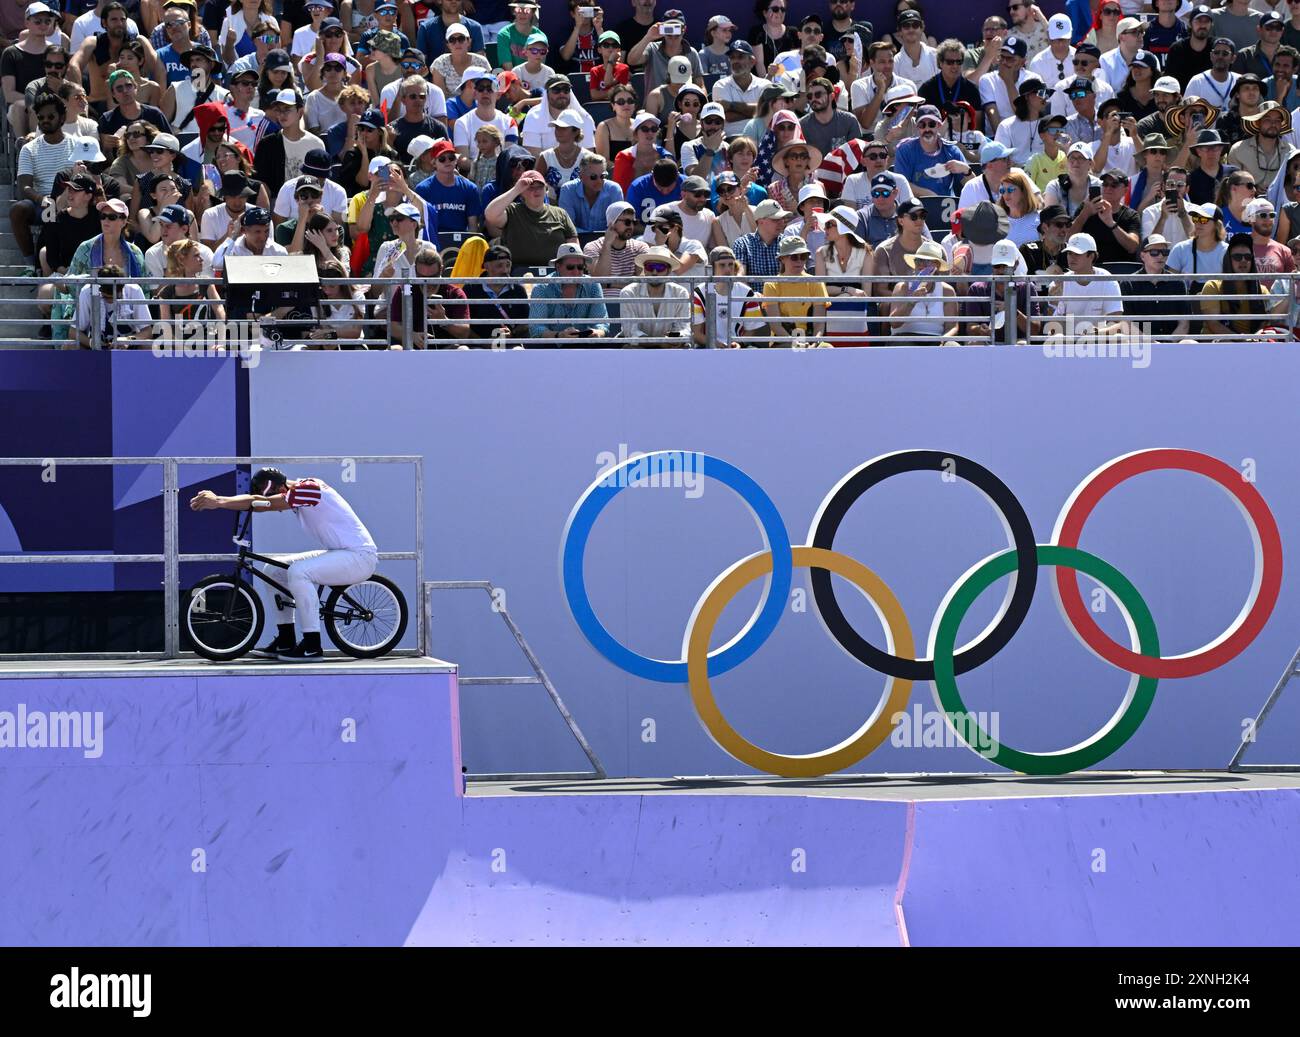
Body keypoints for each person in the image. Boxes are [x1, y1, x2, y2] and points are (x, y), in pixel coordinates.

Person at [189, 468, 379, 662]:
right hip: (339, 553)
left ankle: (312, 645)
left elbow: (263, 504)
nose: (278, 503)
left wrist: (219, 501)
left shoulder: (308, 489)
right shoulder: (296, 492)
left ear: (281, 487)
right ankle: (286, 640)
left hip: (359, 556)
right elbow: (258, 501)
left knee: (299, 572)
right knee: (273, 570)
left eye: (274, 494)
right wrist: (223, 501)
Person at [484, 167, 579, 269]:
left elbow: (574, 246)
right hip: (518, 274)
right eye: (530, 187)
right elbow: (490, 214)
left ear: (546, 189)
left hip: (554, 273)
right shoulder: (512, 211)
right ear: (522, 193)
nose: (536, 190)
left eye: (540, 186)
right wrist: (516, 189)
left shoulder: (560, 213)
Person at [1199, 232, 1285, 336]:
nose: (1243, 260)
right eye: (1237, 257)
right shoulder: (1212, 286)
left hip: (1251, 346)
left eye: (1248, 257)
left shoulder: (1262, 291)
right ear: (1228, 260)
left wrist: (1253, 339)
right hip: (1216, 345)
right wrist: (1241, 340)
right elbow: (1214, 325)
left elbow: (1264, 323)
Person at [527, 241, 609, 342]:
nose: (576, 272)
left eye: (580, 267)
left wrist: (598, 333)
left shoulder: (593, 285)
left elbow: (601, 323)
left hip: (586, 346)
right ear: (557, 267)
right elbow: (535, 328)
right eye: (570, 267)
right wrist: (559, 336)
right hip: (552, 349)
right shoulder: (541, 288)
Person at [1047, 231, 1125, 336]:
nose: (1071, 257)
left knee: (1119, 337)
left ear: (1091, 256)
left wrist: (1095, 333)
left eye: (1077, 254)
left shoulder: (1107, 279)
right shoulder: (1060, 282)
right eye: (1069, 253)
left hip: (1099, 339)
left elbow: (1116, 322)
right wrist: (1054, 303)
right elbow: (1053, 326)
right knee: (1056, 337)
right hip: (1067, 341)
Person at [815, 205, 872, 345]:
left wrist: (844, 294)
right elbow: (819, 291)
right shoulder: (820, 253)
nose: (825, 228)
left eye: (830, 224)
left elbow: (867, 294)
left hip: (857, 318)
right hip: (830, 319)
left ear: (842, 228)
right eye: (826, 224)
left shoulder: (866, 253)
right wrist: (848, 290)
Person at [886, 237, 956, 344]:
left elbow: (952, 327)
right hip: (904, 338)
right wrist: (911, 302)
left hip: (936, 340)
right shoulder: (902, 287)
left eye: (927, 261)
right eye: (918, 260)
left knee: (952, 346)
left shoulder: (947, 291)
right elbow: (894, 323)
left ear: (937, 265)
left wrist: (943, 340)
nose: (921, 265)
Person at [1122, 233, 1190, 340]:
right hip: (1139, 345)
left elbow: (1184, 324)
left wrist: (1168, 345)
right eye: (1154, 252)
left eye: (1165, 252)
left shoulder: (1178, 282)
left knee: (1190, 343)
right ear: (1142, 256)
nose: (1160, 256)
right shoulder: (1128, 283)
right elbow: (1127, 324)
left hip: (1173, 345)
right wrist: (1151, 344)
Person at [617, 245, 690, 344]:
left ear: (668, 271)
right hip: (639, 350)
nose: (654, 272)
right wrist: (660, 344)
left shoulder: (680, 293)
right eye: (650, 267)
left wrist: (672, 340)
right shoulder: (629, 292)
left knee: (685, 347)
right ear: (644, 270)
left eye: (660, 268)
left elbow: (683, 329)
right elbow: (631, 332)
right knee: (629, 347)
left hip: (669, 348)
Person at [762, 235, 826, 344]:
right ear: (782, 259)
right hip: (782, 342)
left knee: (828, 349)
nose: (799, 261)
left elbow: (819, 324)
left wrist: (815, 343)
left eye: (803, 256)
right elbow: (775, 326)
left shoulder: (816, 282)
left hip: (811, 341)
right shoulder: (771, 285)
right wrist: (795, 343)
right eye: (794, 257)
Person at [462, 244, 529, 344]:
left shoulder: (518, 290)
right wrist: (484, 344)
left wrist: (512, 333)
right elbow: (464, 325)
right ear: (486, 266)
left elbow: (526, 322)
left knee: (518, 352)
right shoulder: (470, 289)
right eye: (499, 266)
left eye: (508, 265)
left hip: (510, 344)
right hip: (477, 346)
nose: (505, 270)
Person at [413, 137, 481, 231]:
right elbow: (420, 224)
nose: (447, 161)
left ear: (456, 160)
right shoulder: (422, 189)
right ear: (433, 163)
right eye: (442, 159)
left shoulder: (470, 188)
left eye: (451, 158)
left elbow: (473, 225)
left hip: (462, 242)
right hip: (433, 243)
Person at [211, 204, 287, 274]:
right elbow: (217, 264)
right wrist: (233, 236)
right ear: (244, 230)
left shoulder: (279, 252)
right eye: (257, 232)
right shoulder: (234, 249)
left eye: (266, 231)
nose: (263, 237)